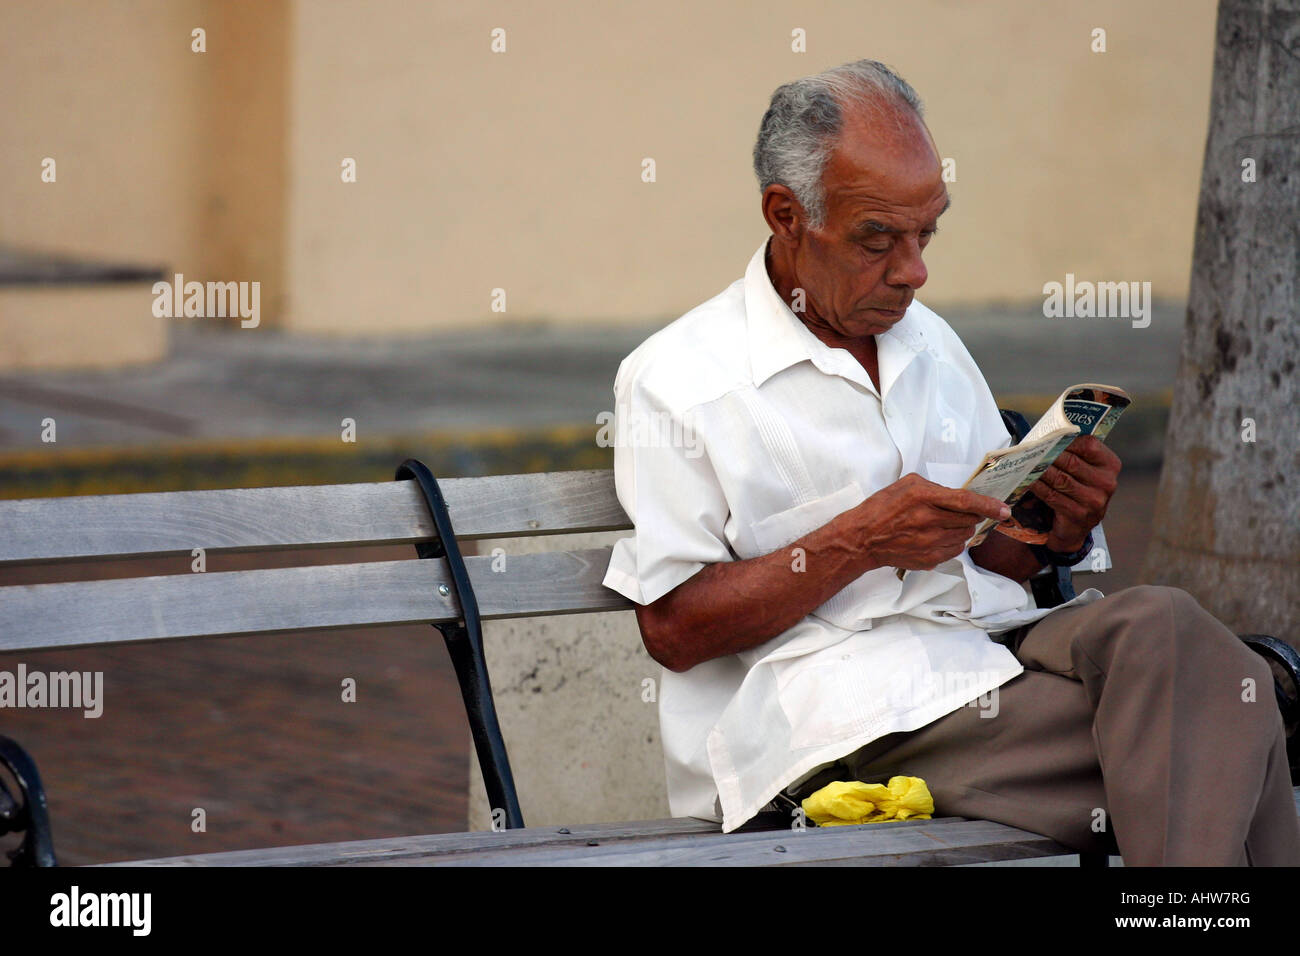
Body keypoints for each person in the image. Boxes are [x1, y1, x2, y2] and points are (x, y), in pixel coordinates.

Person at [600, 59, 1300, 865]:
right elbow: (674, 629)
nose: (914, 271)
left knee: (1167, 625)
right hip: (846, 720)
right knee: (1231, 713)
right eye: (878, 240)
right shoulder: (679, 380)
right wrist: (859, 540)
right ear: (786, 215)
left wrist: (1056, 528)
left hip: (990, 657)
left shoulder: (928, 341)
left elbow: (991, 557)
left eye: (926, 234)